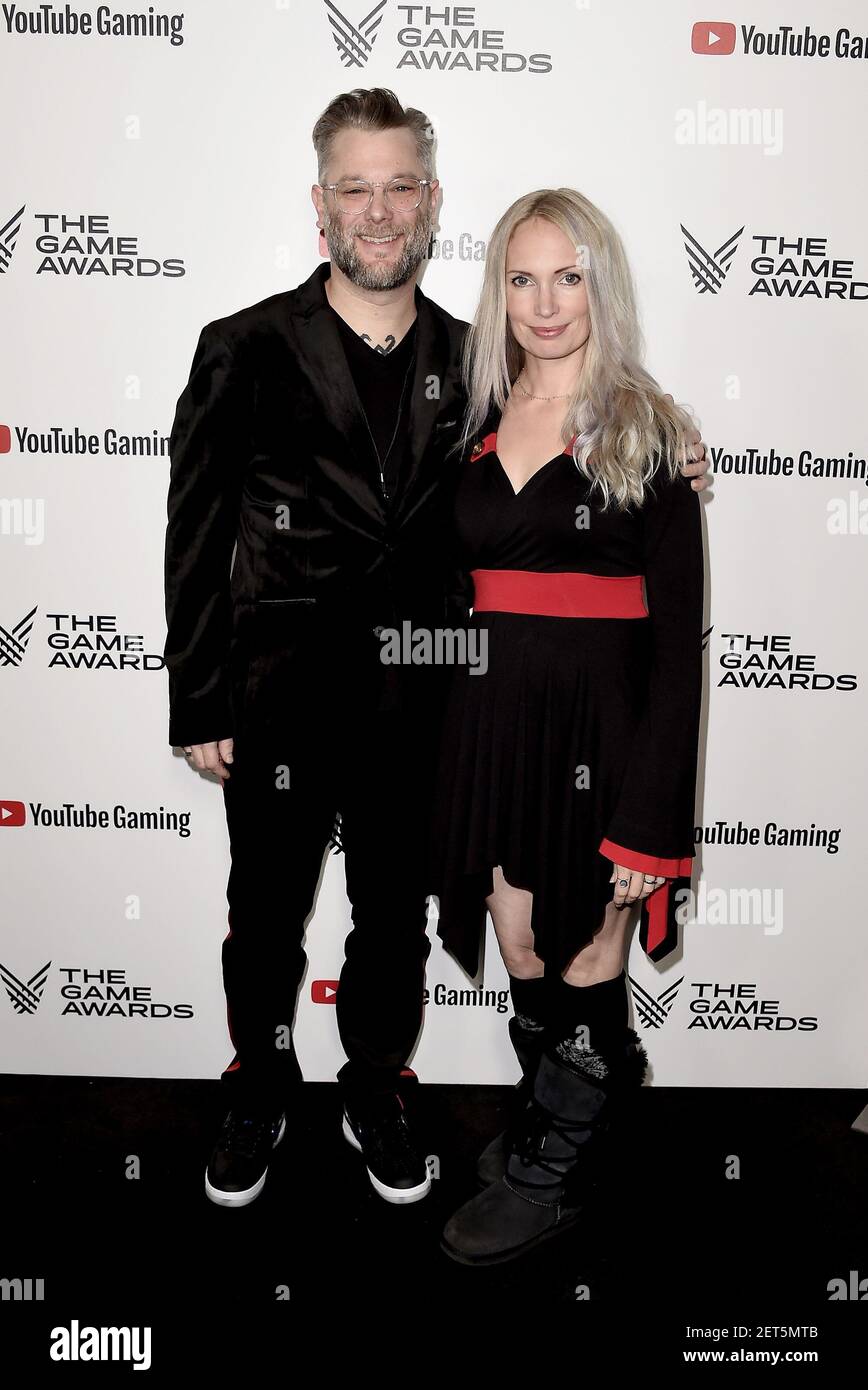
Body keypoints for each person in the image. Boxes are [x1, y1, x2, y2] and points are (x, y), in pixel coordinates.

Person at [163, 89, 710, 1212]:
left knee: (389, 924)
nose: (379, 210)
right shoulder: (244, 347)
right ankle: (259, 1084)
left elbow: (581, 451)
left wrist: (677, 451)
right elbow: (195, 535)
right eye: (355, 188)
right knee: (263, 916)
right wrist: (199, 696)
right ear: (321, 204)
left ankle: (376, 1085)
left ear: (432, 201)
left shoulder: (481, 370)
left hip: (424, 708)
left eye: (400, 186)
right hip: (272, 701)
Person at [429, 189, 705, 1265]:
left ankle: (555, 1166)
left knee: (589, 949)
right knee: (518, 938)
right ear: (497, 289)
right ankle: (567, 1115)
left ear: (602, 285)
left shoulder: (649, 431)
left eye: (569, 275)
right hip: (491, 728)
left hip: (607, 732)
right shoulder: (469, 418)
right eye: (521, 277)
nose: (545, 303)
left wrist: (651, 822)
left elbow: (677, 643)